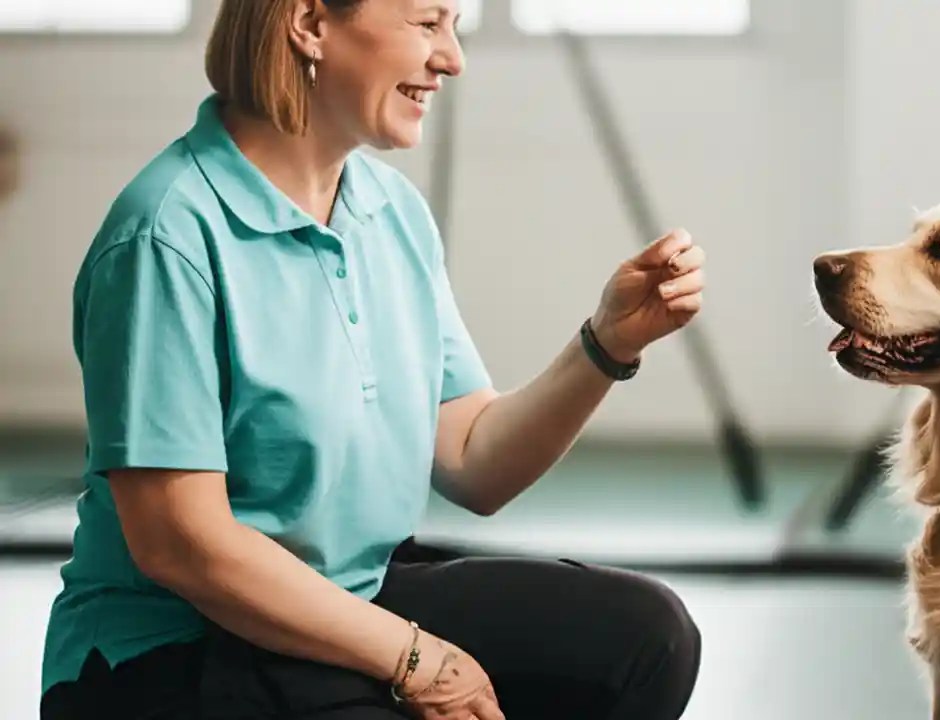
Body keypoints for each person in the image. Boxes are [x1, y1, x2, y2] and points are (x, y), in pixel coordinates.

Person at [38, 1, 706, 718]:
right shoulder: (165, 234)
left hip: (350, 592)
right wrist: (418, 659)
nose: (452, 58)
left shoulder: (391, 212)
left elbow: (476, 460)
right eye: (427, 23)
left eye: (455, 26)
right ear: (309, 22)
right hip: (172, 651)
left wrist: (607, 344)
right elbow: (182, 547)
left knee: (647, 639)